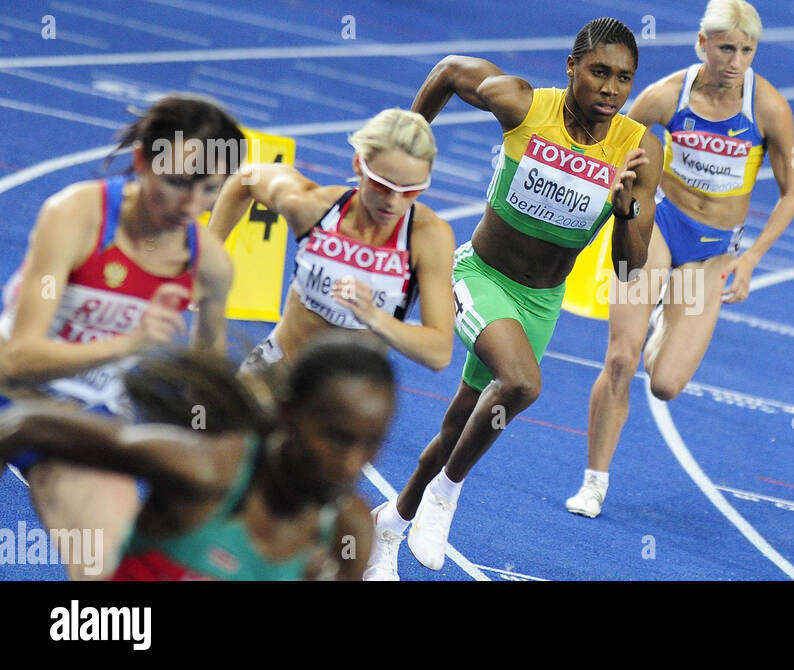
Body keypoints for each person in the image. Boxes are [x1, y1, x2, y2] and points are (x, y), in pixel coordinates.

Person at [364, 17, 662, 578]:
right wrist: (405, 151)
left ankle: (390, 524)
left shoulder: (639, 146)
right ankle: (446, 495)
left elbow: (628, 267)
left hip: (541, 301)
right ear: (572, 68)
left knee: (462, 420)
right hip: (480, 276)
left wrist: (625, 212)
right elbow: (450, 71)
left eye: (624, 78)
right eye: (599, 71)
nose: (610, 88)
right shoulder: (525, 105)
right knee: (522, 383)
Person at [567, 0, 794, 518]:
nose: (735, 60)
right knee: (620, 359)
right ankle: (594, 481)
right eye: (725, 48)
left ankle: (662, 323)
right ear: (703, 45)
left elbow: (791, 193)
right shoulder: (667, 94)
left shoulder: (768, 109)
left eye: (746, 50)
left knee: (667, 384)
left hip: (712, 252)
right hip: (660, 227)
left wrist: (752, 258)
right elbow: (614, 138)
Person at [0, 94, 240, 578]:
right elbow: (14, 361)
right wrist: (128, 345)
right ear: (142, 162)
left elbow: (206, 388)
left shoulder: (210, 265)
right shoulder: (75, 215)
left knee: (110, 572)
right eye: (176, 182)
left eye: (209, 190)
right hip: (8, 388)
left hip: (84, 419)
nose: (190, 205)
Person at [0, 336, 392, 580]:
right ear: (289, 414)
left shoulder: (349, 528)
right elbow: (24, 427)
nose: (350, 464)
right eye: (337, 438)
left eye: (372, 443)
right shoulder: (205, 471)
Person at [207, 108, 455, 382]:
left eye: (411, 190)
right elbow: (246, 178)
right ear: (359, 165)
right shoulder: (312, 207)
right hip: (279, 367)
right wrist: (207, 255)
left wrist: (373, 316)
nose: (393, 202)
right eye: (382, 186)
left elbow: (439, 353)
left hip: (344, 397)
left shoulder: (428, 237)